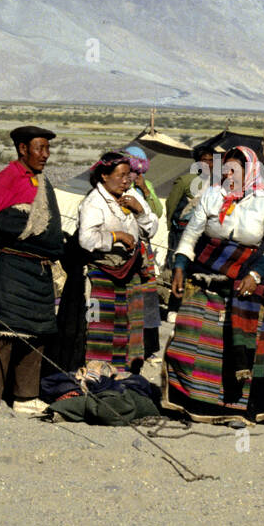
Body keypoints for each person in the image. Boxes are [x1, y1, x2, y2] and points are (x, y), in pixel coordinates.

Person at [165, 146, 264, 423]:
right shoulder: (211, 196)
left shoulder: (263, 201)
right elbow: (190, 236)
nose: (228, 175)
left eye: (234, 170)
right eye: (225, 170)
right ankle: (192, 402)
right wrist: (180, 266)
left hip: (245, 285)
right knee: (192, 342)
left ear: (250, 172)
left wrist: (255, 277)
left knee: (239, 347)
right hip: (208, 279)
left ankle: (235, 409)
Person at [0, 126, 65, 420]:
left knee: (36, 333)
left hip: (38, 270)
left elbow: (50, 229)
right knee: (4, 333)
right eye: (40, 148)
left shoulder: (41, 182)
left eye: (48, 149)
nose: (45, 155)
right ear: (23, 149)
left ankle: (26, 396)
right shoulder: (9, 177)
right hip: (9, 267)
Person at [76, 151, 159, 373]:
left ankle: (127, 374)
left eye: (128, 175)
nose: (126, 181)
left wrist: (140, 212)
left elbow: (150, 229)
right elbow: (86, 239)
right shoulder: (93, 202)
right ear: (104, 176)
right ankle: (97, 374)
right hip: (102, 273)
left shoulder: (132, 197)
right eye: (121, 176)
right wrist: (116, 237)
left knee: (130, 326)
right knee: (100, 327)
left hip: (130, 271)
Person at [123, 144, 165, 361]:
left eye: (137, 172)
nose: (133, 175)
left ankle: (148, 347)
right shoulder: (118, 185)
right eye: (131, 171)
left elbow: (157, 212)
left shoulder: (145, 185)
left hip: (144, 246)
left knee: (148, 298)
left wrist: (145, 191)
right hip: (127, 246)